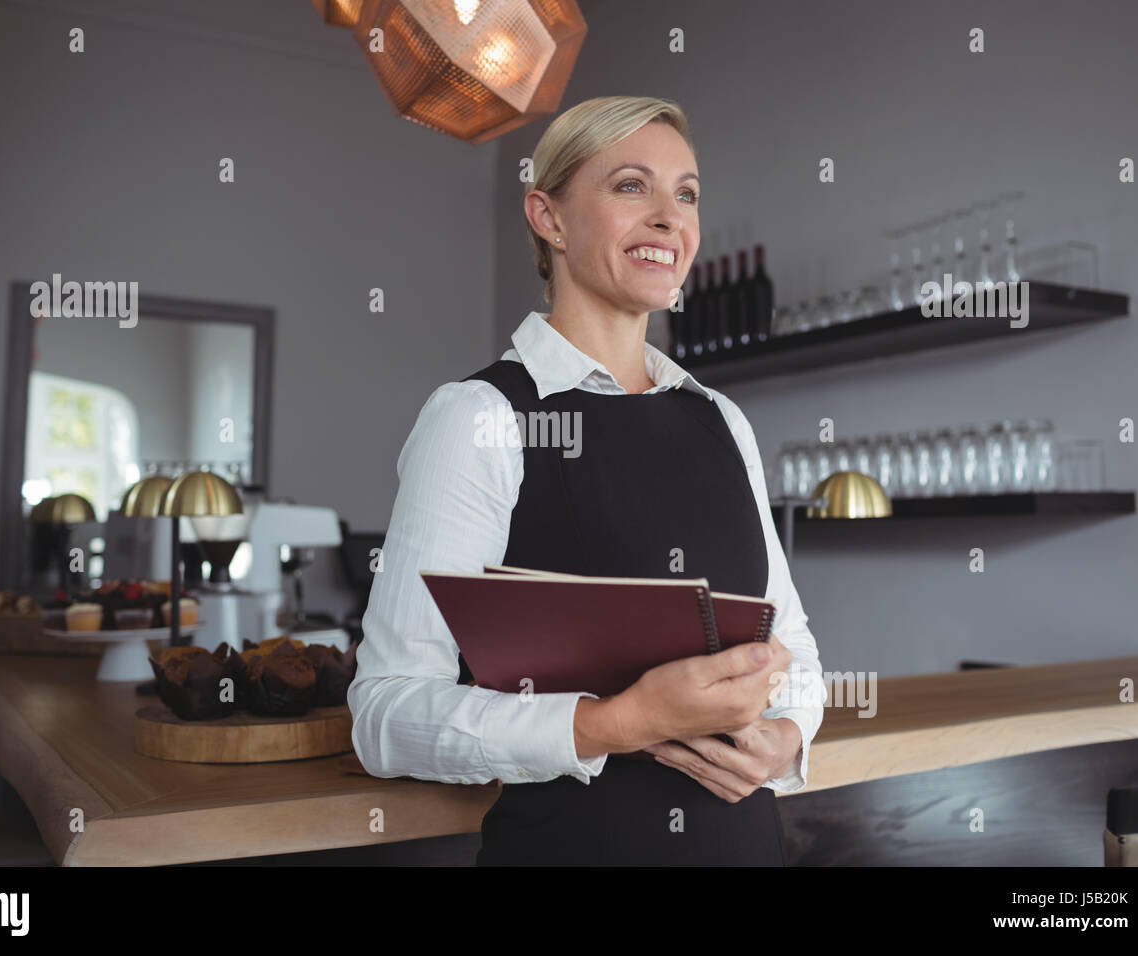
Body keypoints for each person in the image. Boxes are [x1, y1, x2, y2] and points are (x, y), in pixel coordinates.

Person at [348, 95, 826, 865]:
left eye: (688, 193)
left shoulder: (721, 421)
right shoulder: (481, 416)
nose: (671, 218)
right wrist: (615, 724)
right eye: (632, 186)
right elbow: (386, 714)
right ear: (550, 217)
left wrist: (786, 738)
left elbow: (792, 647)